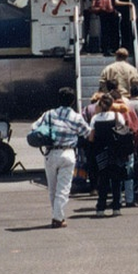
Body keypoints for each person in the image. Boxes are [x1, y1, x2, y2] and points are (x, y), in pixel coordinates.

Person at [33, 87, 89, 228]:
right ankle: (58, 218)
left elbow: (34, 127)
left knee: (52, 188)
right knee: (63, 188)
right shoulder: (76, 117)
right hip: (68, 153)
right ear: (72, 101)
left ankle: (57, 215)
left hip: (50, 153)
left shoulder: (49, 114)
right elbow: (87, 133)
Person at [89, 94, 127, 216]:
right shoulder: (118, 116)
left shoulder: (95, 119)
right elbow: (123, 131)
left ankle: (100, 208)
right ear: (112, 104)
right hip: (116, 152)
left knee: (103, 181)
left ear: (100, 105)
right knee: (116, 180)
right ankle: (116, 207)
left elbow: (91, 138)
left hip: (101, 153)